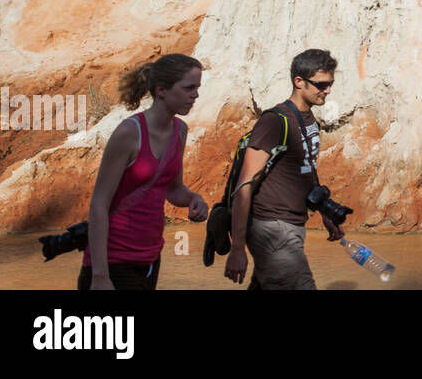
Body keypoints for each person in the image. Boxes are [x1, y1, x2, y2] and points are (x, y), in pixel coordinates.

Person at [81, 53, 209, 290]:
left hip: (150, 258)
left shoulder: (180, 131)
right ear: (161, 90)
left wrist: (194, 198)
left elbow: (173, 189)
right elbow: (99, 203)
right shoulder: (129, 133)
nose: (196, 95)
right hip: (113, 262)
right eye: (189, 87)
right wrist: (99, 277)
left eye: (197, 87)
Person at [224, 48, 343, 290]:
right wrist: (237, 248)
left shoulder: (308, 118)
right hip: (272, 228)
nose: (327, 90)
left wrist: (324, 213)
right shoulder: (275, 121)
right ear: (299, 81)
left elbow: (305, 172)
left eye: (330, 84)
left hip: (293, 225)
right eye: (321, 84)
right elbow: (245, 185)